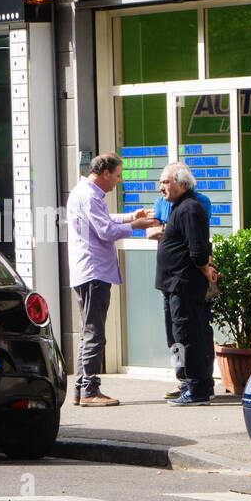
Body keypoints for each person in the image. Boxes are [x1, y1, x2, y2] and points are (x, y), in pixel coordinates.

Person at [65, 153, 156, 406]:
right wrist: (136, 226)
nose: (118, 180)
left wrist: (129, 217)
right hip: (94, 271)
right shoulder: (90, 195)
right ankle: (90, 392)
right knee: (95, 333)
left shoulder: (83, 192)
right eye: (117, 175)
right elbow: (105, 231)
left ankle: (81, 389)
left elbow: (103, 221)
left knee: (87, 332)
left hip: (86, 271)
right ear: (105, 173)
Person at [146, 163, 213, 400]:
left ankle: (198, 385)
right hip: (170, 285)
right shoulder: (176, 207)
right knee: (174, 336)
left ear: (182, 184)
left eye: (166, 182)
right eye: (161, 182)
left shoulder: (191, 208)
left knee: (189, 335)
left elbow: (198, 250)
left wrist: (206, 269)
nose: (161, 187)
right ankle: (184, 380)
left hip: (183, 284)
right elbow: (150, 232)